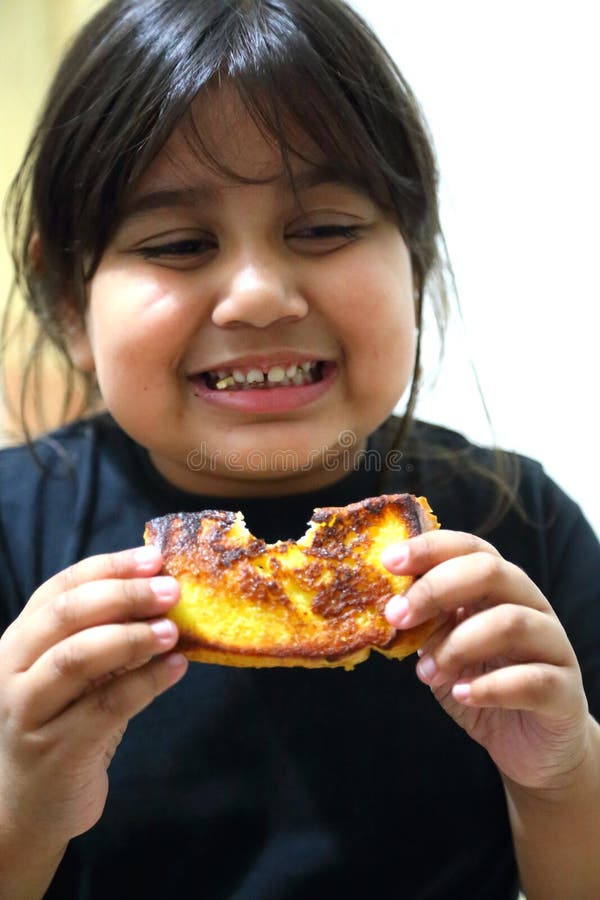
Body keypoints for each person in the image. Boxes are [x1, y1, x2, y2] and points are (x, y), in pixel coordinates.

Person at [1, 1, 599, 898]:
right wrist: (22, 803)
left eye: (322, 229)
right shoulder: (14, 531)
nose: (258, 295)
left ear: (418, 257)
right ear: (67, 301)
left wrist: (562, 777)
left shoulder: (520, 522)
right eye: (178, 243)